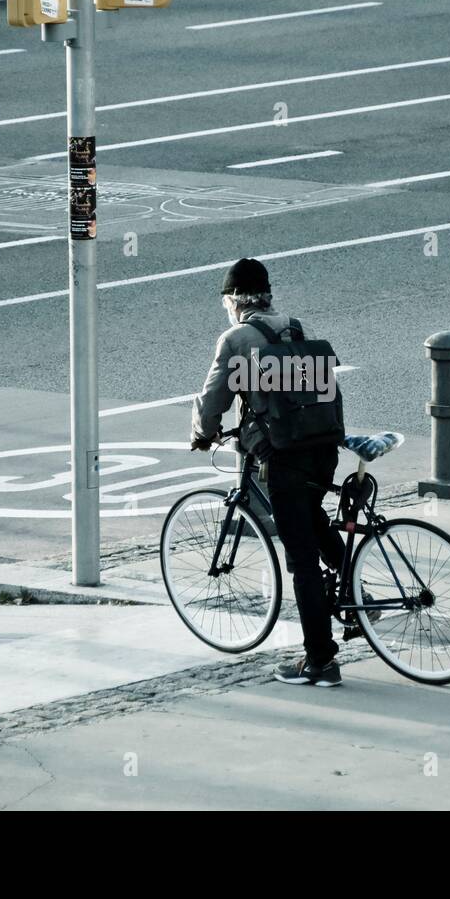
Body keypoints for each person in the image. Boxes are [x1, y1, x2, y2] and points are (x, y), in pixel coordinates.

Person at [190, 258, 347, 687]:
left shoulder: (236, 337)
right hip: (325, 446)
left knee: (300, 560)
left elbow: (213, 399)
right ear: (268, 297)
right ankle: (354, 590)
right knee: (311, 516)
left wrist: (203, 433)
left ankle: (320, 661)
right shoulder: (299, 328)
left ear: (233, 301)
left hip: (286, 455)